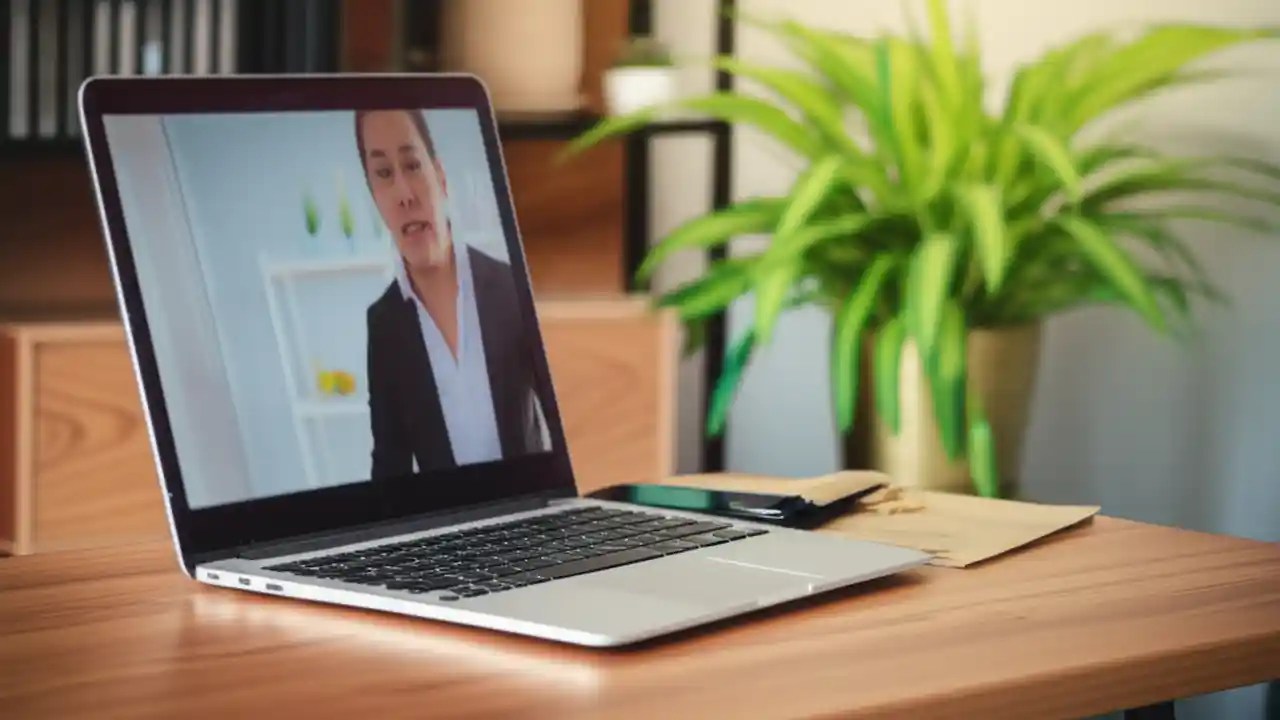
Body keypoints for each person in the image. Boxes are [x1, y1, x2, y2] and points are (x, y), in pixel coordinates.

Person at [357, 109, 547, 479]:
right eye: (383, 174)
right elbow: (389, 464)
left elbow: (562, 419)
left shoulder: (510, 287)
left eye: (412, 165)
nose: (404, 195)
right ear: (375, 199)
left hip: (528, 509)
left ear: (440, 177)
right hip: (448, 526)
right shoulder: (383, 323)